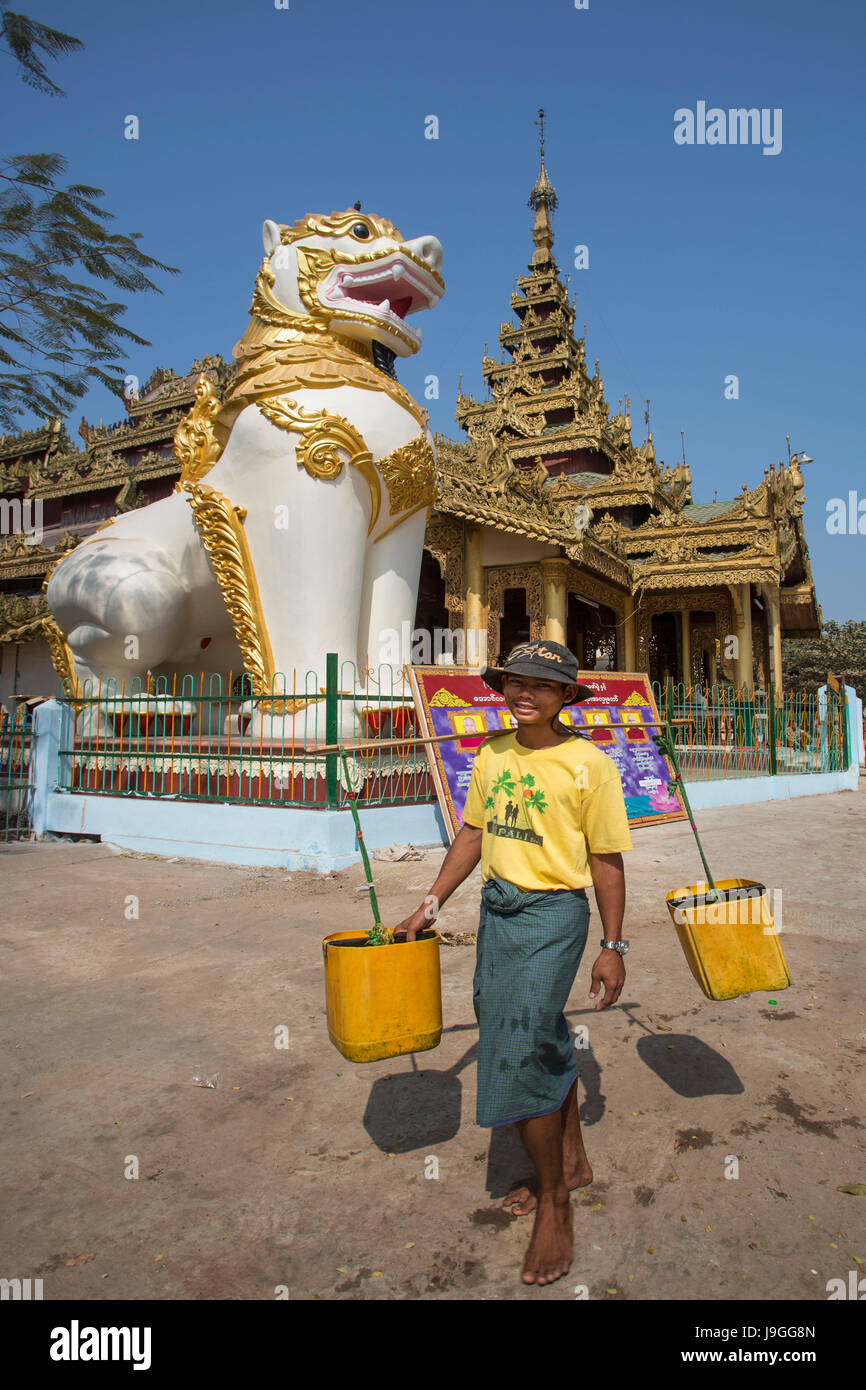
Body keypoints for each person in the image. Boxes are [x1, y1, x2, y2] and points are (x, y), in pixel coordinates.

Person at [396, 639, 633, 1287]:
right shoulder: (491, 755)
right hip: (499, 917)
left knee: (519, 1047)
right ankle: (573, 1158)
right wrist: (430, 904)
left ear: (565, 697)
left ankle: (555, 1203)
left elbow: (607, 861)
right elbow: (472, 834)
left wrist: (613, 948)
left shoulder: (590, 766)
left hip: (556, 916)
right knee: (545, 1035)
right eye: (513, 682)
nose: (524, 694)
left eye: (540, 686)